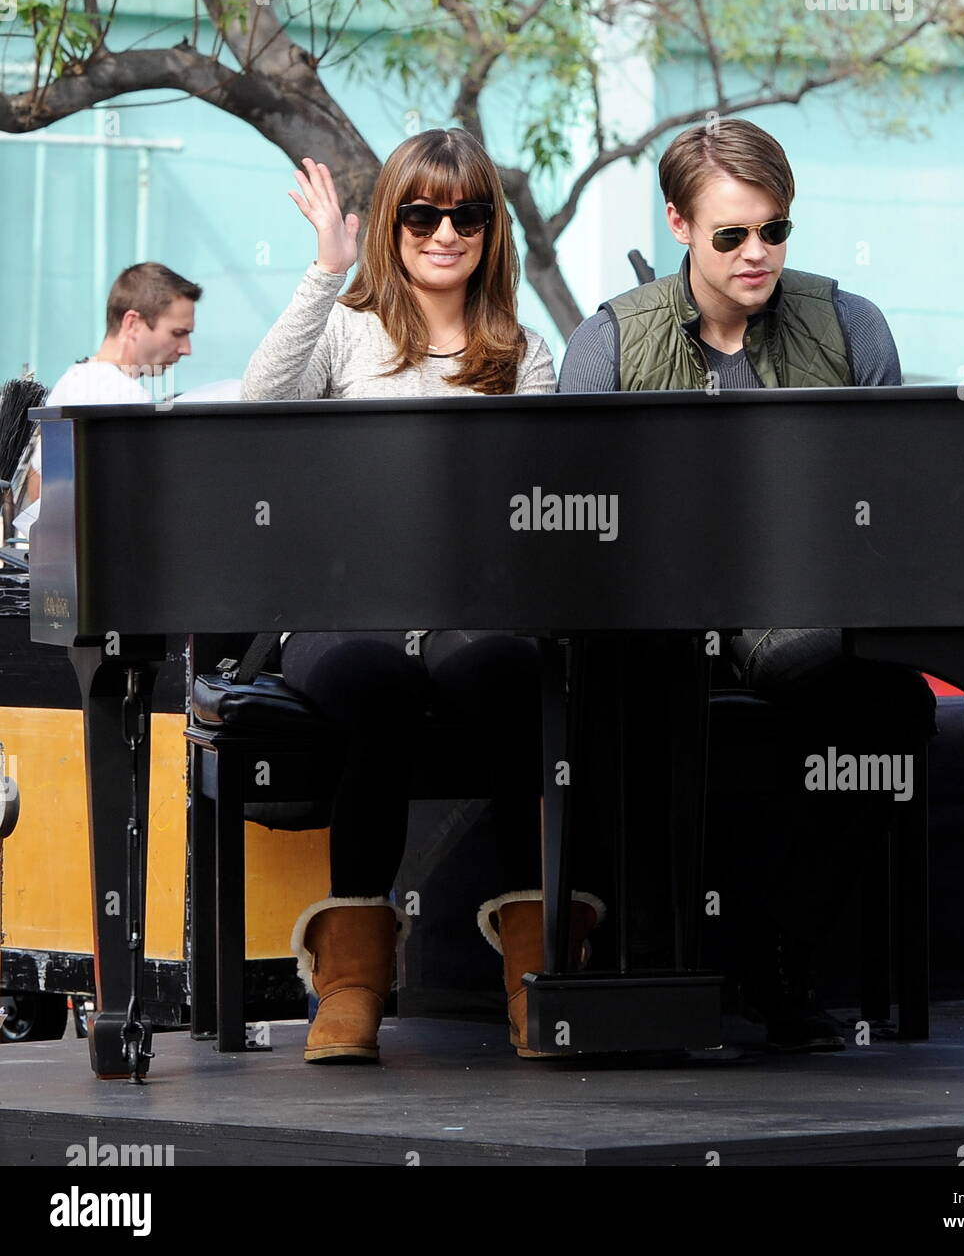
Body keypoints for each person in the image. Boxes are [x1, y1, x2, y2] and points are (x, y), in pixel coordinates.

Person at [559, 118, 936, 1051]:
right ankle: (651, 969)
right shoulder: (610, 341)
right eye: (732, 235)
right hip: (657, 618)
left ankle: (777, 950)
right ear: (680, 225)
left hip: (807, 613)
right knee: (628, 681)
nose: (757, 253)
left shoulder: (851, 324)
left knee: (891, 707)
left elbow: (889, 492)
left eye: (775, 230)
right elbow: (569, 514)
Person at [240, 129, 603, 1064]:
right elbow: (260, 407)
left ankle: (538, 968)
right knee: (372, 681)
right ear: (393, 222)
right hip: (341, 604)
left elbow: (535, 504)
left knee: (504, 667)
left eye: (467, 215)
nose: (446, 232)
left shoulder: (521, 352)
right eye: (423, 214)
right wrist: (325, 270)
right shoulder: (348, 324)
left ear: (490, 230)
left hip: (467, 601)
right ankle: (354, 981)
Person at [11, 263, 200, 536]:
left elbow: (40, 487)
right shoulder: (121, 396)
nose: (186, 349)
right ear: (132, 323)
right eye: (178, 333)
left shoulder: (76, 379)